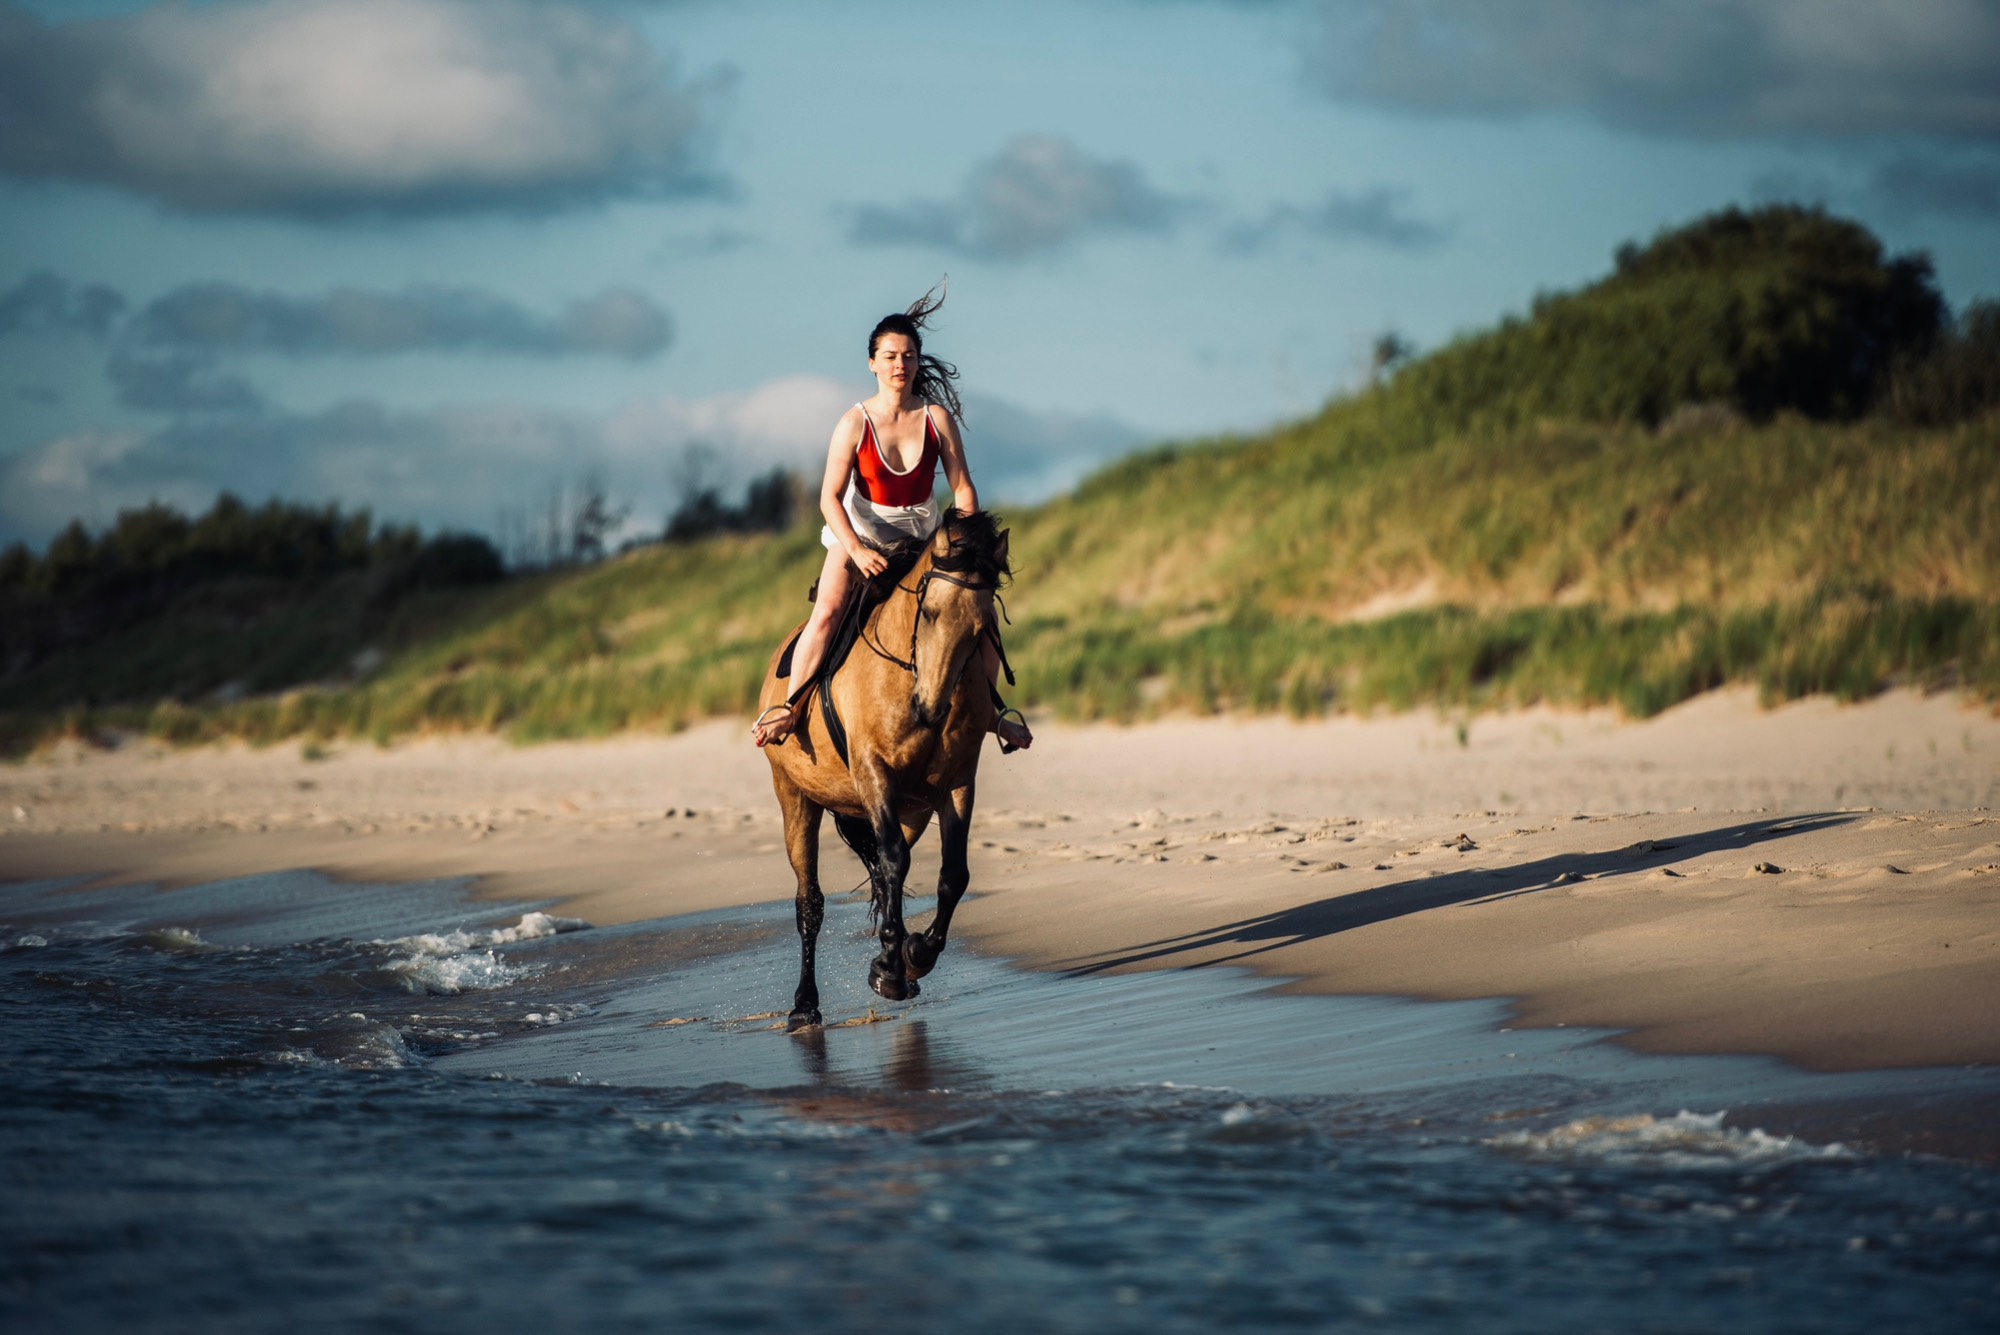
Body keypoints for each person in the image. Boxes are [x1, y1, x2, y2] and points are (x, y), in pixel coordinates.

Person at [752, 286, 1032, 753]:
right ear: (873, 364)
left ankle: (992, 713)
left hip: (922, 536)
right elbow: (829, 498)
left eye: (908, 355)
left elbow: (962, 486)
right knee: (826, 614)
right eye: (890, 355)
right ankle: (790, 707)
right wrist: (857, 551)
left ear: (918, 362)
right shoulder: (854, 423)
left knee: (977, 614)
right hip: (859, 532)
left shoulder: (936, 418)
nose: (900, 364)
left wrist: (967, 540)